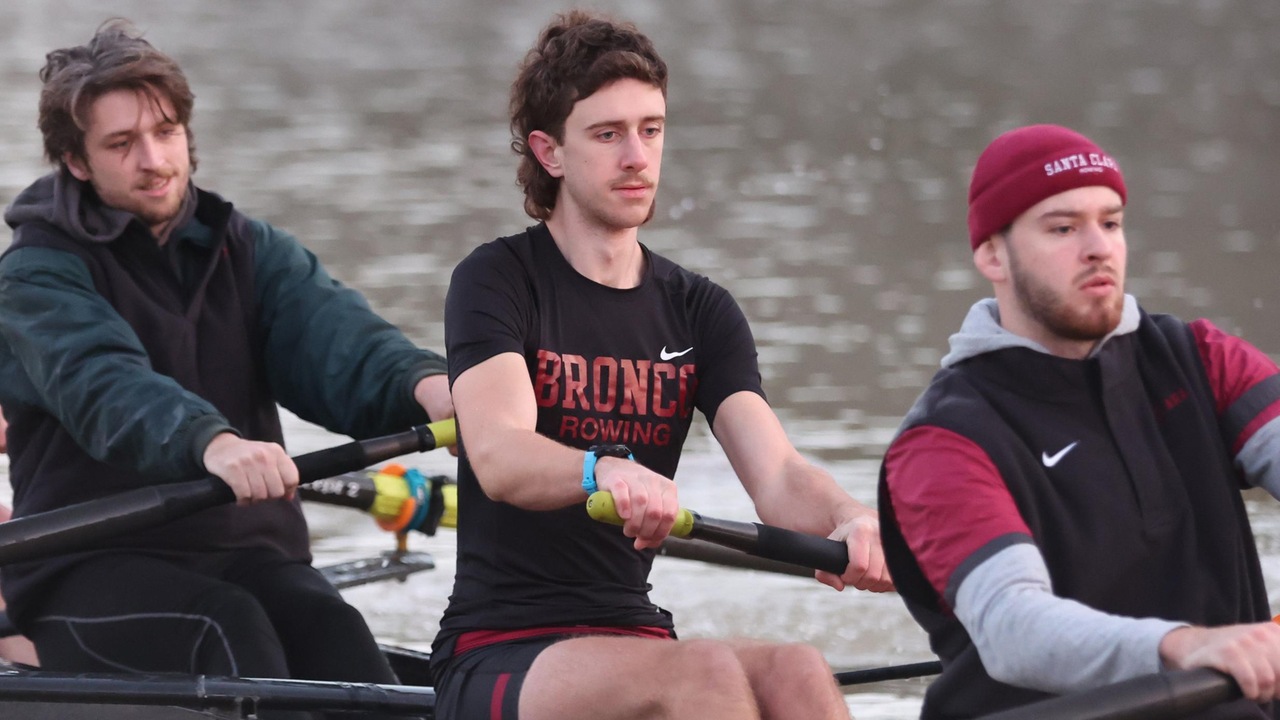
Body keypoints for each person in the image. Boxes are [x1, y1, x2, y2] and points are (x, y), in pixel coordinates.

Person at [432, 10, 893, 720]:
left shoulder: (699, 310)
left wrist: (849, 517)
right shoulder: (497, 281)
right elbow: (498, 454)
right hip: (502, 646)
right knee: (703, 671)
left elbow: (776, 475)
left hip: (633, 632)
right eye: (608, 134)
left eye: (651, 130)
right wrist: (602, 469)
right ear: (549, 153)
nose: (637, 158)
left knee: (799, 671)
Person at [0, 18, 453, 707]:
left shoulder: (246, 248)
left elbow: (340, 340)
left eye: (166, 132)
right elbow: (103, 384)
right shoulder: (37, 275)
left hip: (245, 553)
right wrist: (209, 440)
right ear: (77, 163)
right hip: (86, 568)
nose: (154, 159)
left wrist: (432, 386)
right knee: (230, 629)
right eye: (122, 144)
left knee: (333, 627)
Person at [878, 124, 1280, 719]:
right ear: (993, 254)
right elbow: (1017, 628)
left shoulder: (1201, 358)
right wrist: (1187, 644)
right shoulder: (942, 444)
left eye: (1111, 223)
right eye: (1063, 228)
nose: (1099, 248)